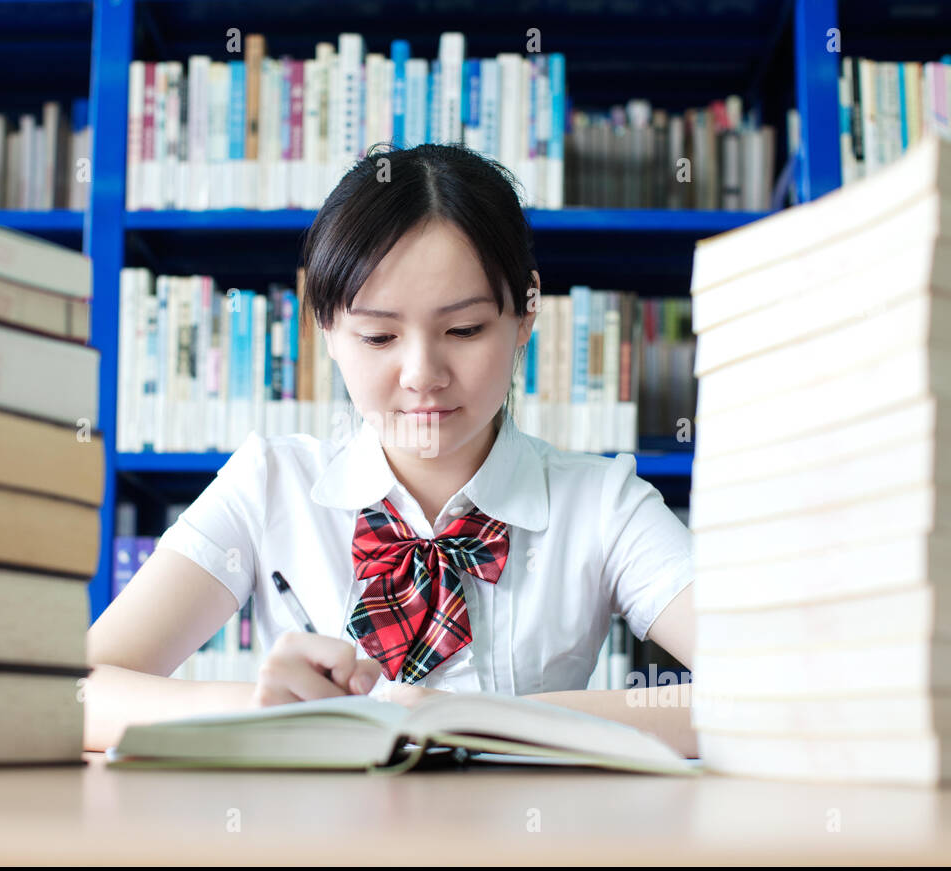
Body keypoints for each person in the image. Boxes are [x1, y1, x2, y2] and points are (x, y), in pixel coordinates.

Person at [86, 143, 698, 756]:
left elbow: (776, 690)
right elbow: (75, 694)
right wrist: (256, 710)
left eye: (464, 330)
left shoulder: (602, 503)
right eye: (379, 335)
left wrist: (484, 720)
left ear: (526, 314)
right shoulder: (270, 481)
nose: (421, 374)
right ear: (326, 328)